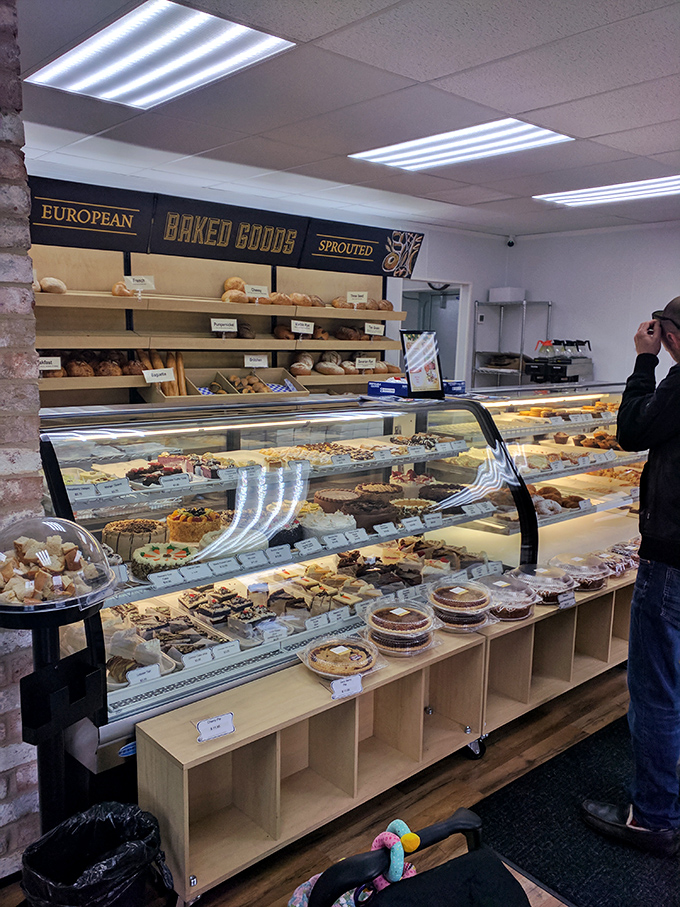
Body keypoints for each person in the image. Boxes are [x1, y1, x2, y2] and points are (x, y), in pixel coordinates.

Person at [581, 296, 680, 856]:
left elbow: (631, 431)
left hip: (672, 559)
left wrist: (644, 362)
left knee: (657, 691)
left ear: (668, 333)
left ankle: (654, 816)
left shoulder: (678, 383)